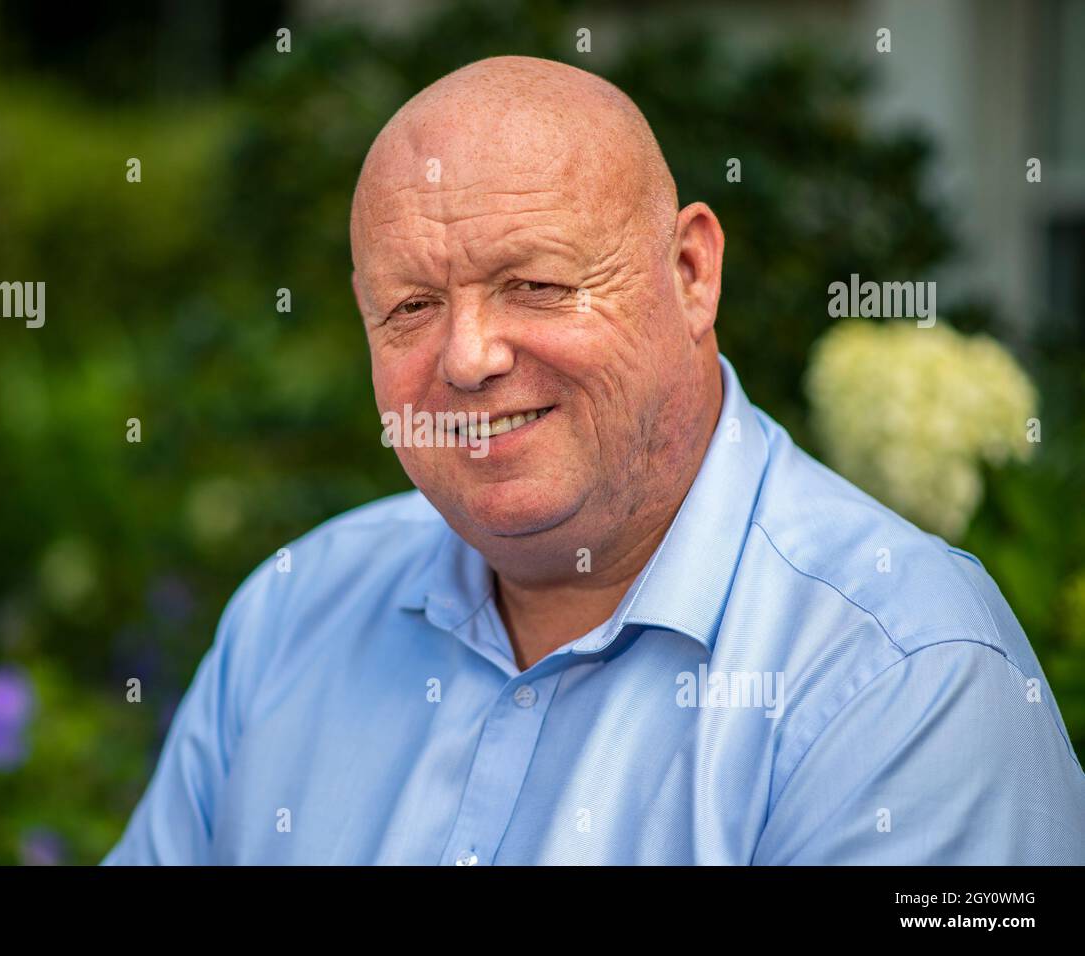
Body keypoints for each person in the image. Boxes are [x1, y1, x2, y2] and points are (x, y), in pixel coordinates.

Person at [105, 56, 1085, 865]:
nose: (467, 356)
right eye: (408, 307)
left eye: (534, 283)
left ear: (691, 273)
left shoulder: (905, 681)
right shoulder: (292, 612)